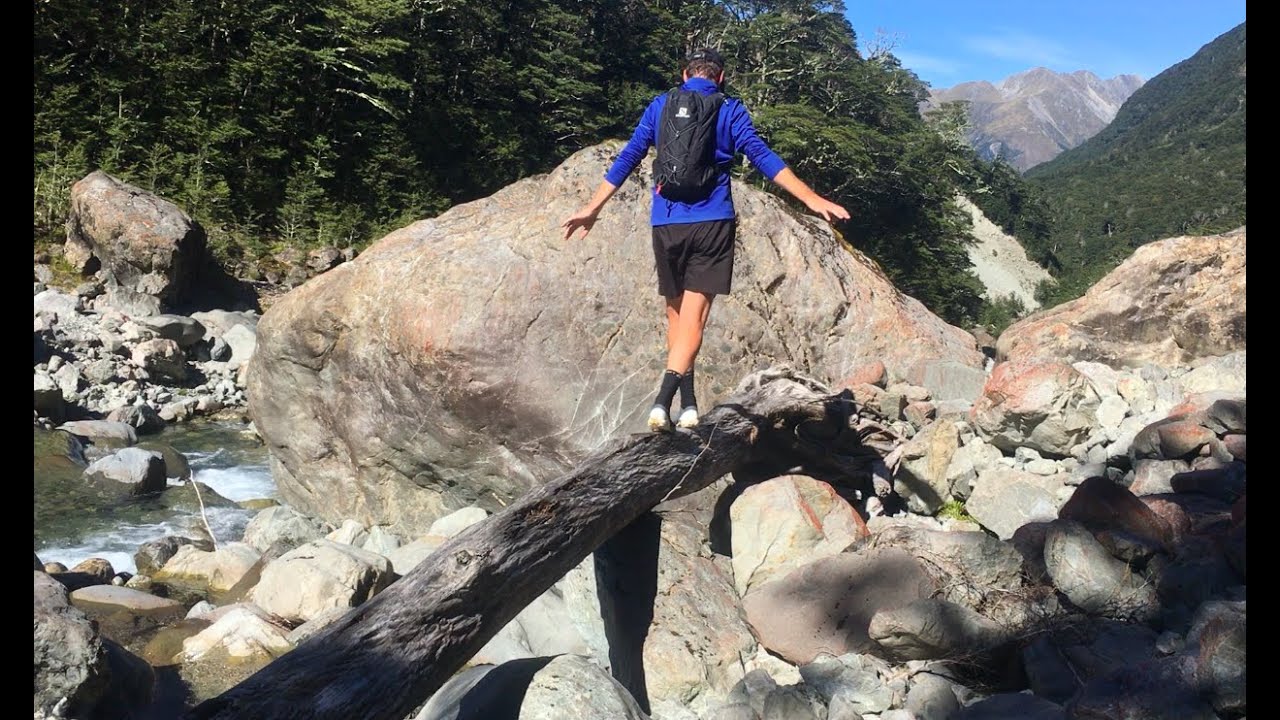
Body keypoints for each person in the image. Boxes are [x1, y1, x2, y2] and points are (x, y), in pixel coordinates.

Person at [562, 48, 850, 432]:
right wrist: (811, 199)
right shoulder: (729, 109)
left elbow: (630, 155)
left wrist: (593, 208)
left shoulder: (661, 106)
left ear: (685, 75)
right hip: (712, 222)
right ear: (720, 77)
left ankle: (689, 404)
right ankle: (663, 402)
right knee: (695, 320)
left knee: (677, 318)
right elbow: (762, 157)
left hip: (666, 222)